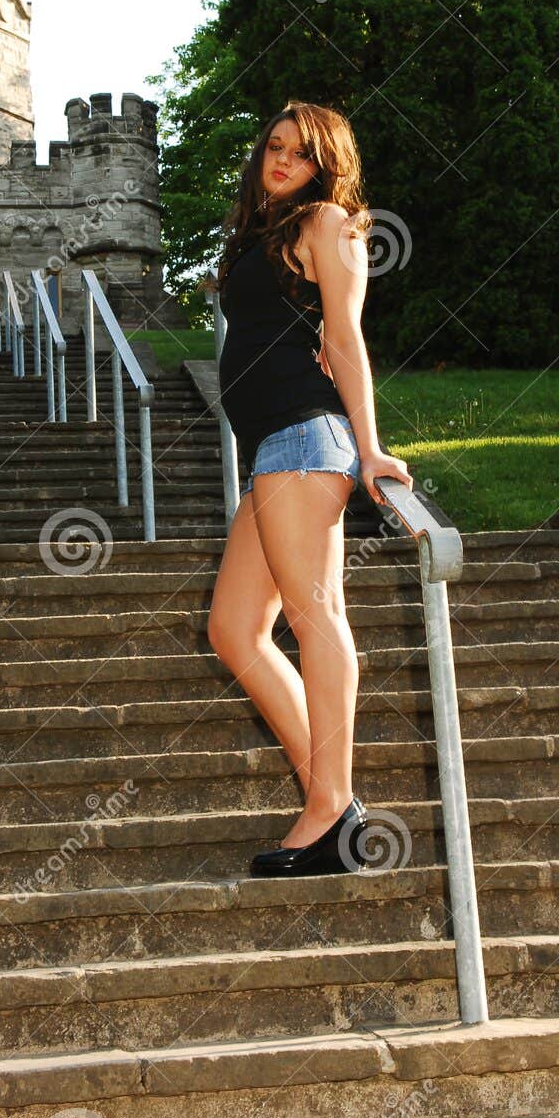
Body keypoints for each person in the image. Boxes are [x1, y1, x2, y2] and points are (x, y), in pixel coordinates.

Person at [206, 100, 414, 878]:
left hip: (304, 437)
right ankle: (333, 801)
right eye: (273, 147)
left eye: (299, 151)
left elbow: (343, 335)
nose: (281, 160)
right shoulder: (263, 234)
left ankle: (328, 807)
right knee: (234, 629)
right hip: (268, 448)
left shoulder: (327, 222)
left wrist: (369, 448)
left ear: (325, 162)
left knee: (315, 615)